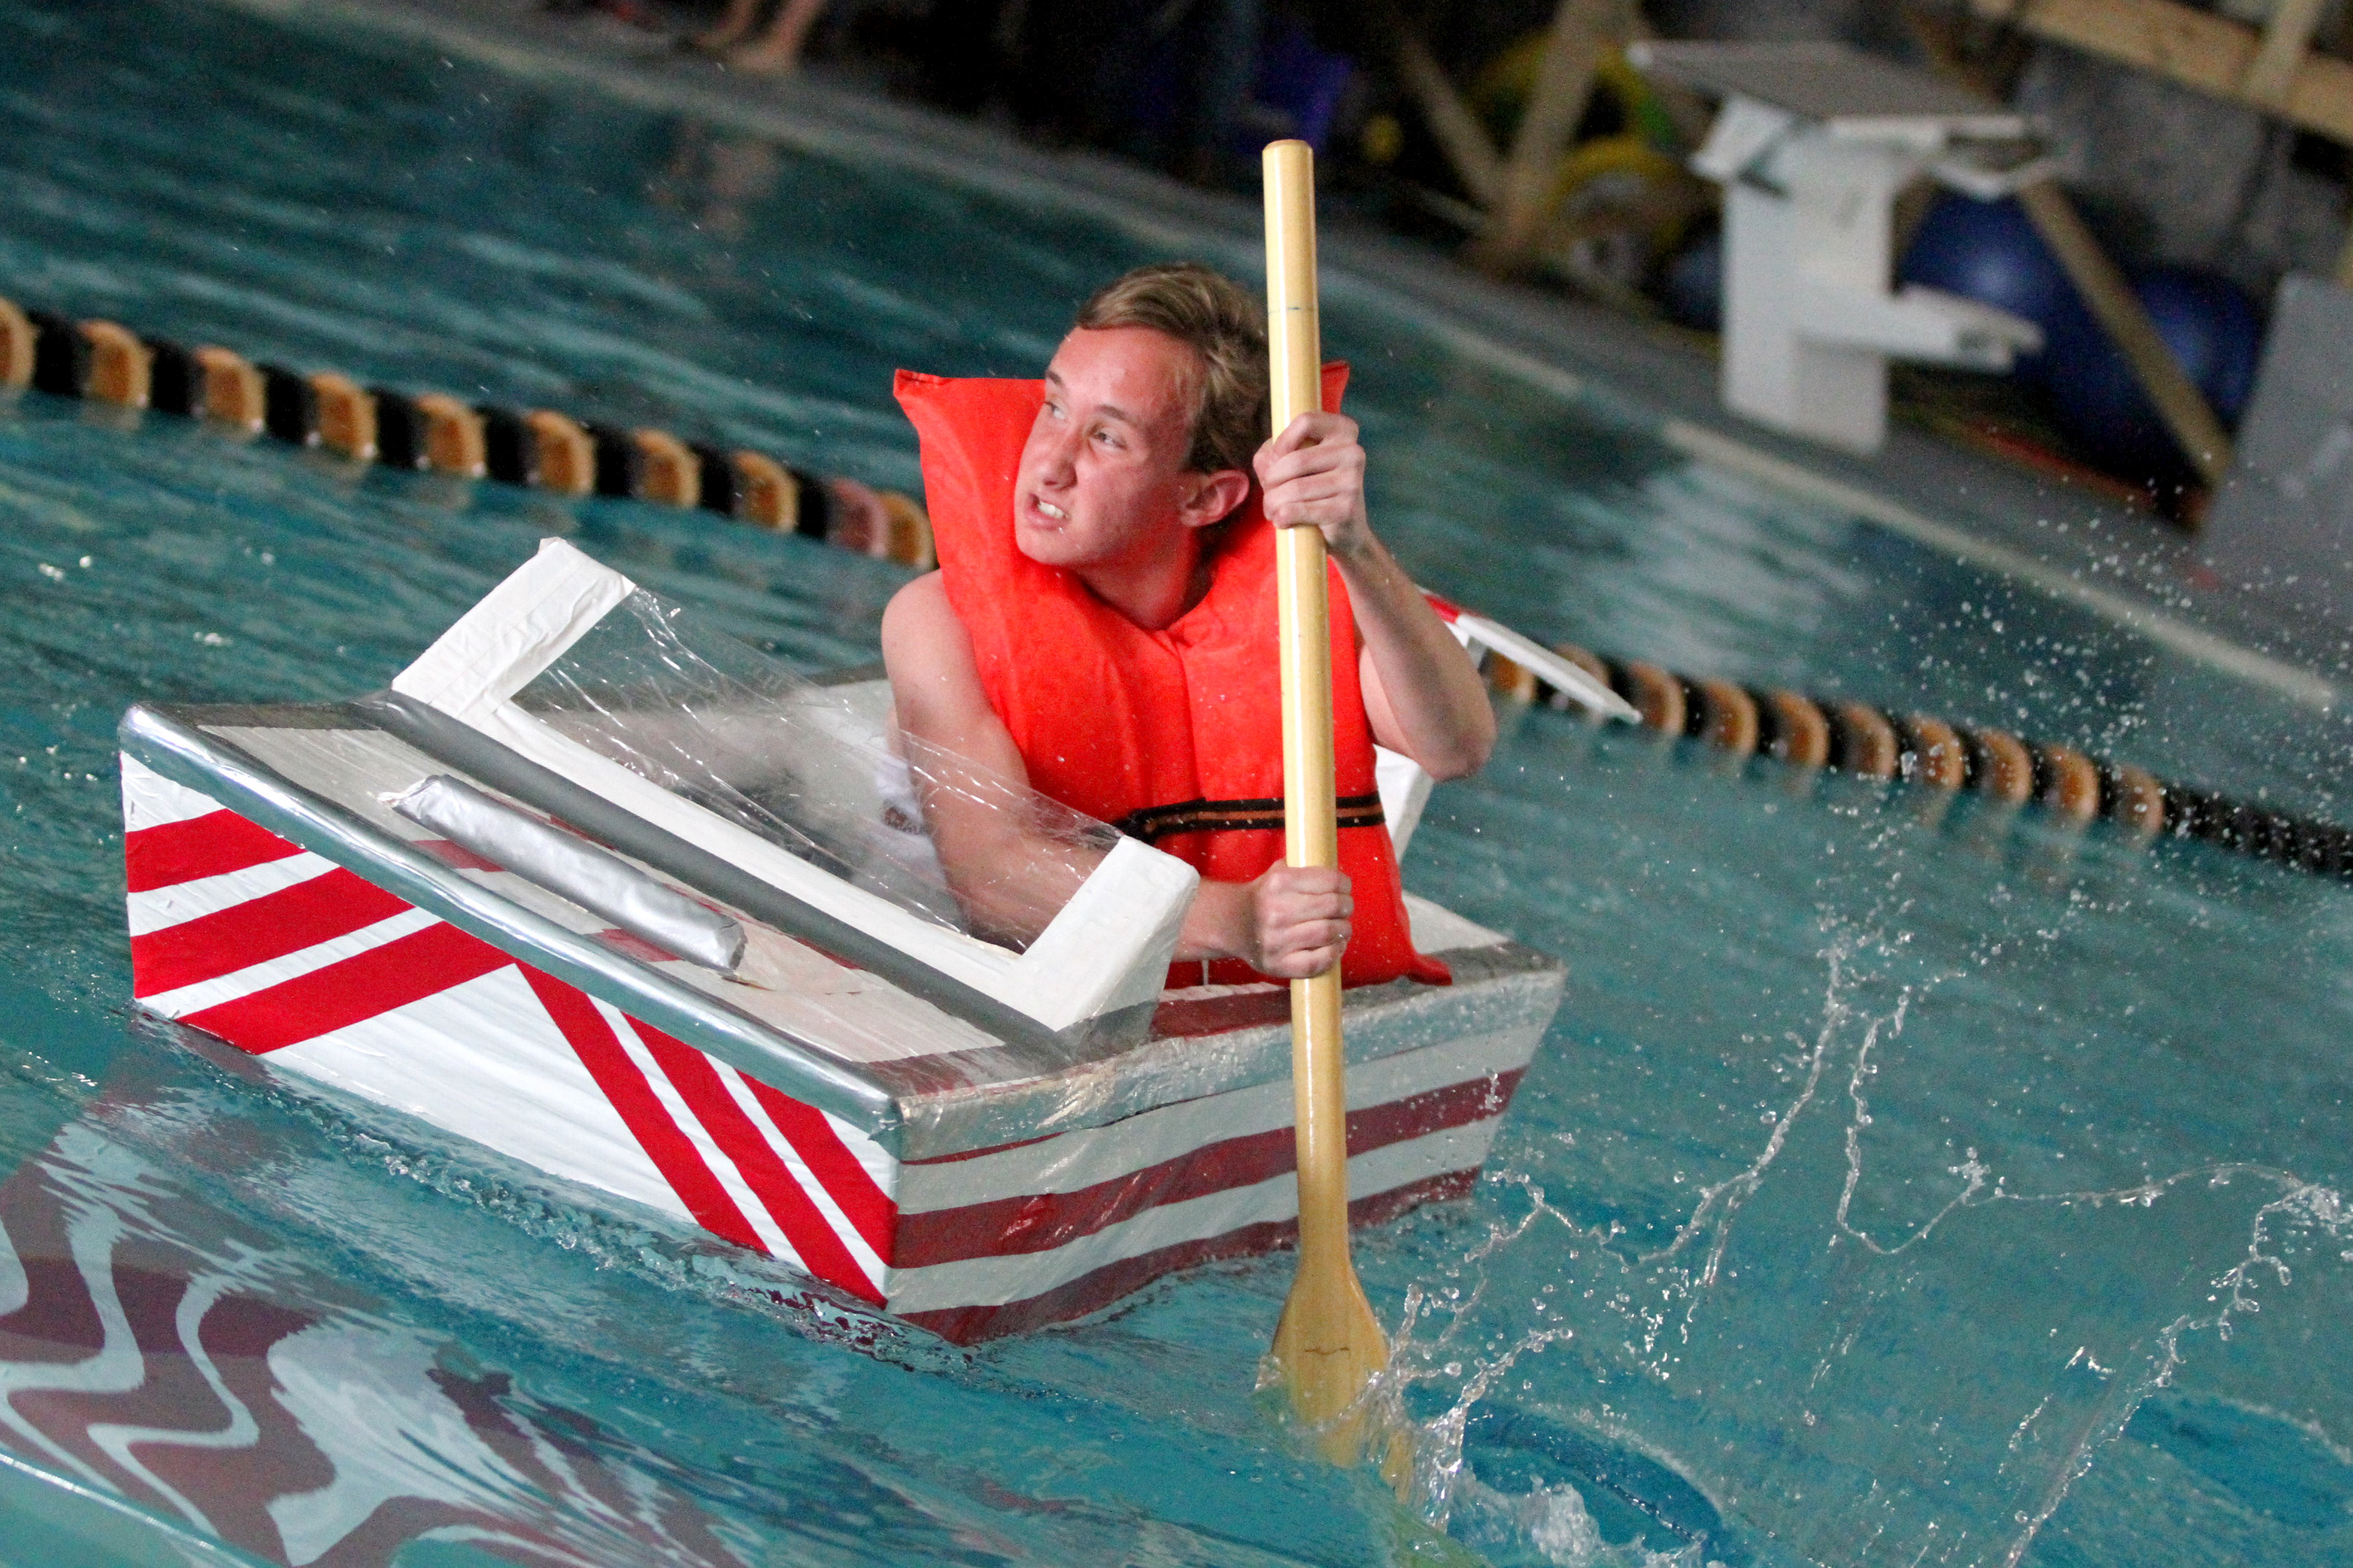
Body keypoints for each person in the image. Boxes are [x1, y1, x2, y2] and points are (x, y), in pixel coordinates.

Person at [883, 263, 1493, 986]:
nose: (1047, 463)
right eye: (1053, 408)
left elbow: (1455, 747)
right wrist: (1234, 921)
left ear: (1204, 499)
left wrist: (1354, 545)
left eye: (1107, 439)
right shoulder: (938, 621)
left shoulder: (1298, 610)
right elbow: (988, 876)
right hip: (951, 963)